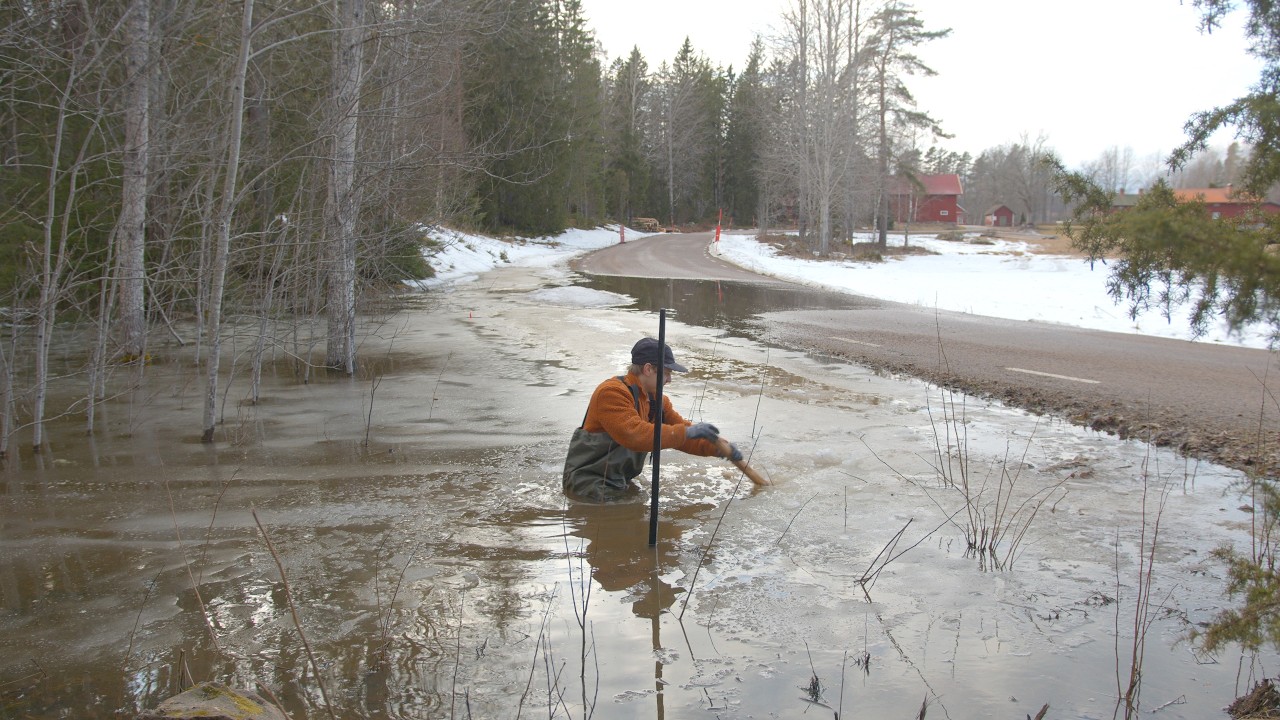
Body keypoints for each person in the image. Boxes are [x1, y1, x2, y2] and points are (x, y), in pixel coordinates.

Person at [562, 337, 744, 502]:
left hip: (618, 480)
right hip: (588, 484)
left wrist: (718, 448)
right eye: (666, 373)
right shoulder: (611, 392)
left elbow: (681, 434)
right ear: (648, 369)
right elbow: (634, 435)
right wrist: (687, 431)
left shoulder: (657, 400)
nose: (669, 379)